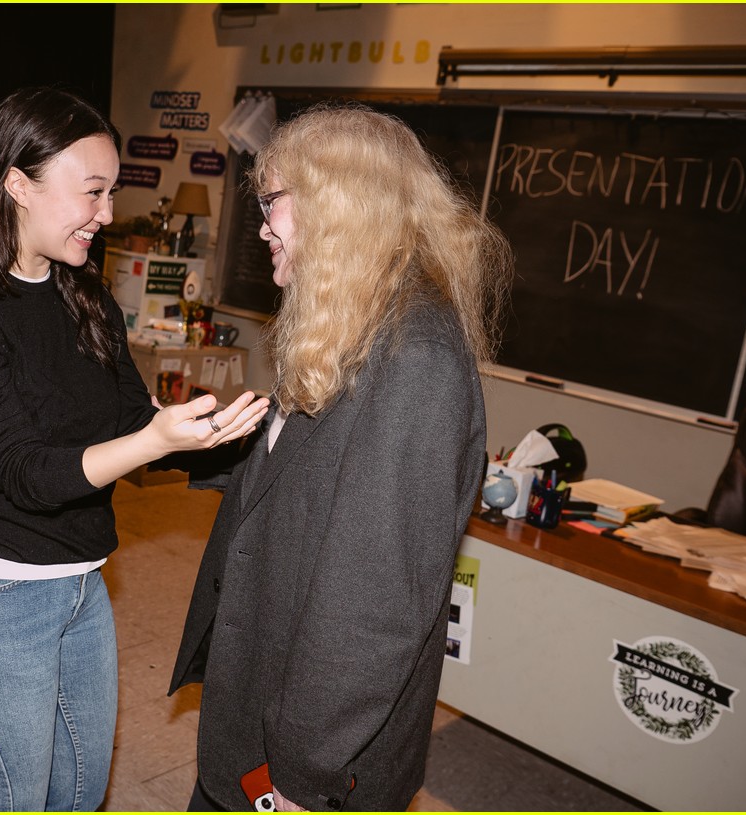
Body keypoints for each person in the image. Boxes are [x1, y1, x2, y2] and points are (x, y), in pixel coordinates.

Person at [0, 86, 269, 811]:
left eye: (110, 193)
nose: (107, 214)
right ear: (16, 184)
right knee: (13, 801)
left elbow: (131, 419)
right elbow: (27, 473)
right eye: (93, 192)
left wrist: (204, 435)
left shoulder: (84, 294)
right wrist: (150, 437)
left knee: (78, 792)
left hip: (82, 583)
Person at [169, 103, 513, 811]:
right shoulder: (356, 318)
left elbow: (374, 609)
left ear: (339, 201)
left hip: (304, 763)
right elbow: (304, 476)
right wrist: (177, 446)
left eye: (273, 202)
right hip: (265, 708)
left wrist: (301, 776)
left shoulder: (415, 357)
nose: (262, 226)